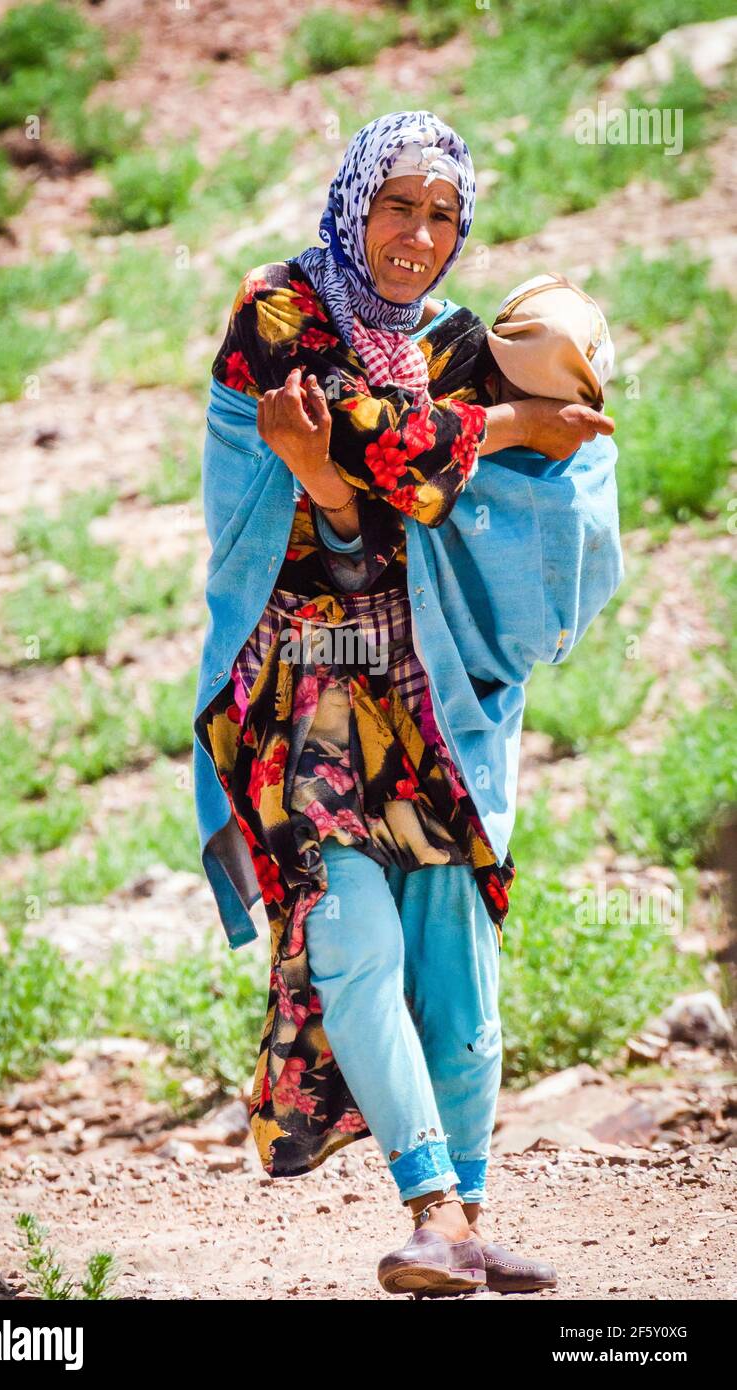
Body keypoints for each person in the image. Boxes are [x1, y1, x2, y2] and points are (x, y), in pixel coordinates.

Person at [192, 110, 623, 1296]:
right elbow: (395, 455)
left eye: (442, 215)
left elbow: (538, 403)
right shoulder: (277, 309)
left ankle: (467, 1224)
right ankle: (428, 1206)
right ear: (353, 203)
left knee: (456, 956)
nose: (417, 235)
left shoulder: (448, 345)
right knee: (351, 938)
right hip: (297, 693)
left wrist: (543, 385)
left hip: (429, 692)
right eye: (397, 205)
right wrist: (506, 427)